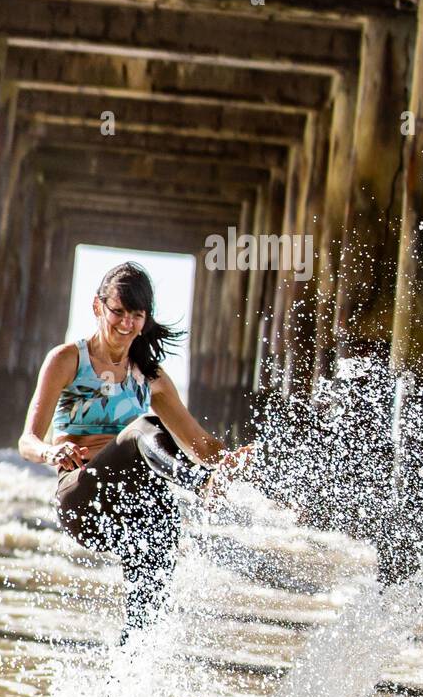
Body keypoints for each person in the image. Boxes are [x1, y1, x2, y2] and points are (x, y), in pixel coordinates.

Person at [18, 261, 250, 642]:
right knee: (143, 429)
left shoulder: (151, 376)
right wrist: (49, 453)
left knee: (162, 536)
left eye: (137, 315)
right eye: (118, 312)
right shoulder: (67, 360)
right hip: (83, 496)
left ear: (145, 320)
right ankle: (198, 484)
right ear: (98, 307)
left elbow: (203, 445)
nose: (126, 324)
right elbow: (27, 440)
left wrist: (235, 462)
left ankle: (127, 672)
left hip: (130, 510)